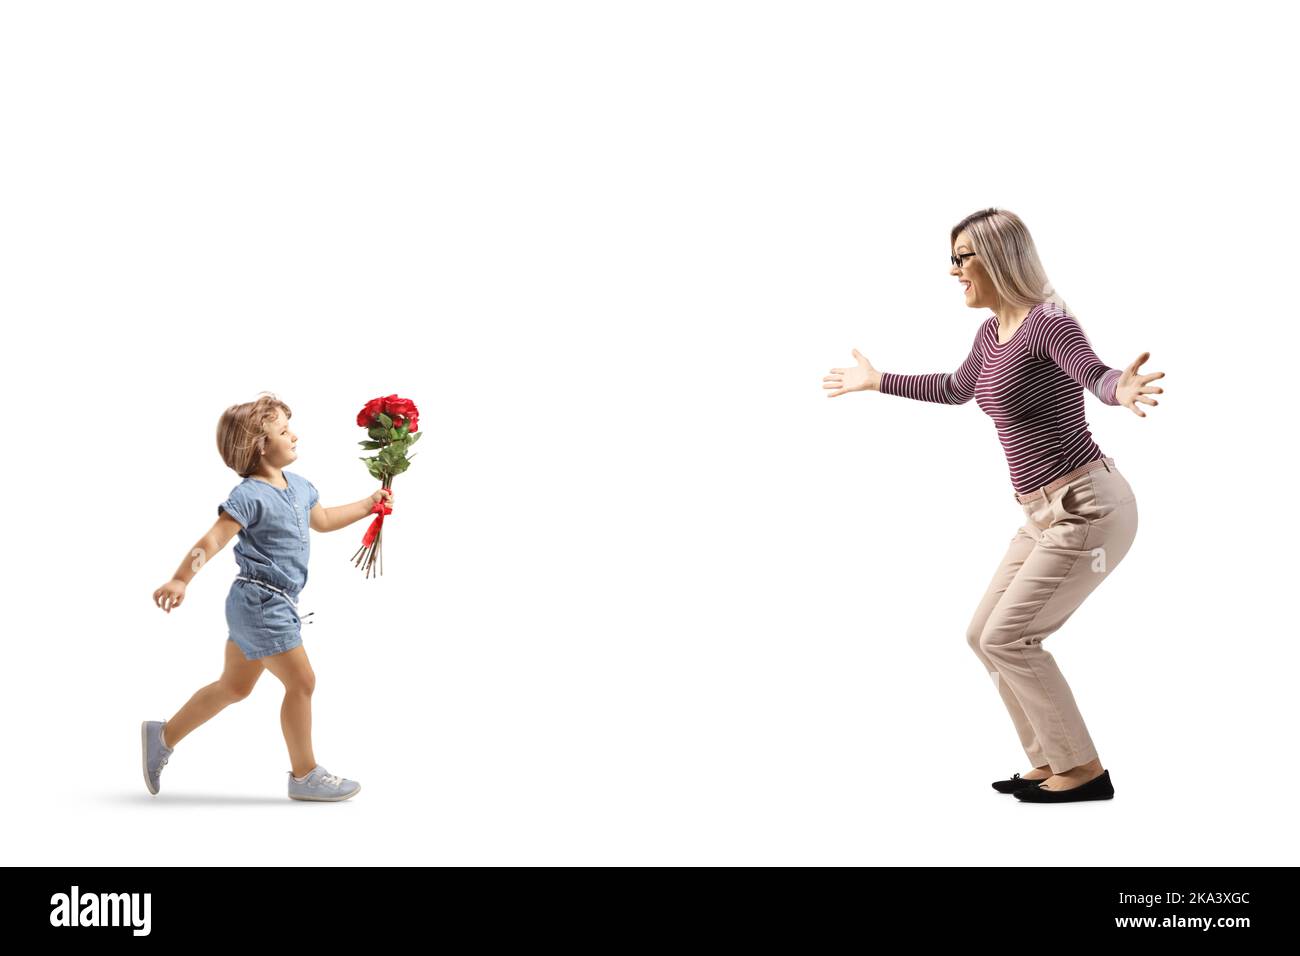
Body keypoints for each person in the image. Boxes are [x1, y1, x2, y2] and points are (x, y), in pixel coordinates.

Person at [822, 208, 1165, 803]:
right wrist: (877, 380)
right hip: (1041, 514)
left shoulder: (1047, 325)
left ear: (999, 258)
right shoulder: (991, 333)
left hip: (1089, 510)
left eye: (963, 257)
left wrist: (1120, 389)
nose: (954, 271)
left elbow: (1095, 375)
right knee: (984, 634)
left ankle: (1082, 772)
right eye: (952, 258)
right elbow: (958, 389)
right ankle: (1050, 759)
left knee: (1010, 637)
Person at [143, 391, 393, 802]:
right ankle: (304, 773)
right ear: (260, 446)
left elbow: (325, 520)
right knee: (303, 681)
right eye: (283, 430)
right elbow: (214, 539)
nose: (293, 435)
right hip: (261, 603)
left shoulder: (299, 486)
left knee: (233, 687)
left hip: (269, 603)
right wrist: (180, 579)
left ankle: (163, 735)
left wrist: (369, 505)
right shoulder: (248, 496)